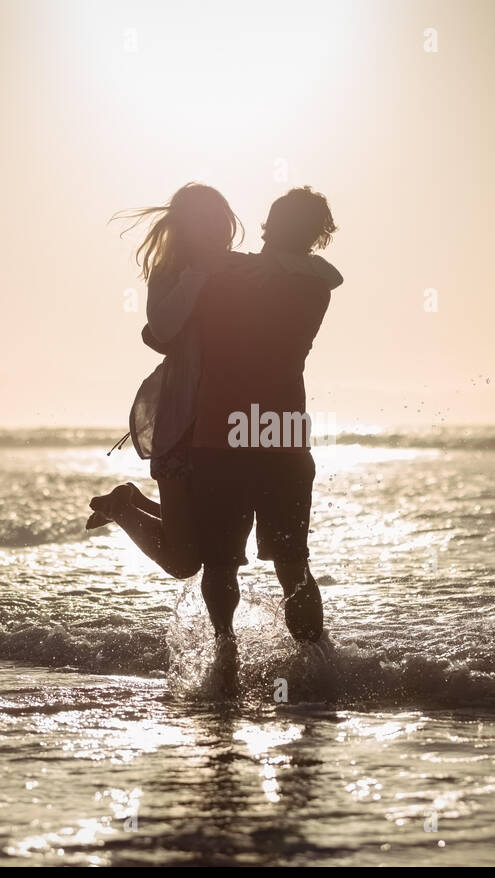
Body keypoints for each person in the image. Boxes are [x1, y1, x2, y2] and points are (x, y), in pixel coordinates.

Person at [89, 184, 341, 588]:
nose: (214, 232)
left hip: (222, 425)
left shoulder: (245, 268)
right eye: (202, 223)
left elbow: (329, 273)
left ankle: (130, 504)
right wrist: (199, 276)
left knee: (207, 547)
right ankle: (125, 509)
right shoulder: (179, 273)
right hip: (183, 421)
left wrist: (278, 263)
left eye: (219, 222)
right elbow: (161, 330)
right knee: (190, 559)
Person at [185, 187, 339, 658]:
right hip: (282, 434)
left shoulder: (233, 273)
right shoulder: (311, 282)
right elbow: (329, 273)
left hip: (221, 431)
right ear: (317, 236)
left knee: (221, 563)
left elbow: (158, 333)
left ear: (270, 223)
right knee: (292, 564)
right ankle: (317, 664)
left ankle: (225, 651)